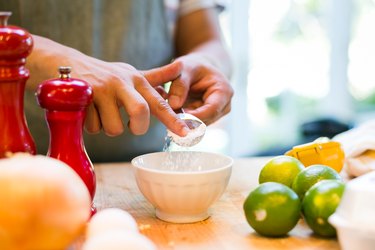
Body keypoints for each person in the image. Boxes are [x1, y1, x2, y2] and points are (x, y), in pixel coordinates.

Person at [0, 0, 233, 162]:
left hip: (145, 161)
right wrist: (50, 59)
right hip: (14, 166)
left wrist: (206, 62)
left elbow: (208, 41)